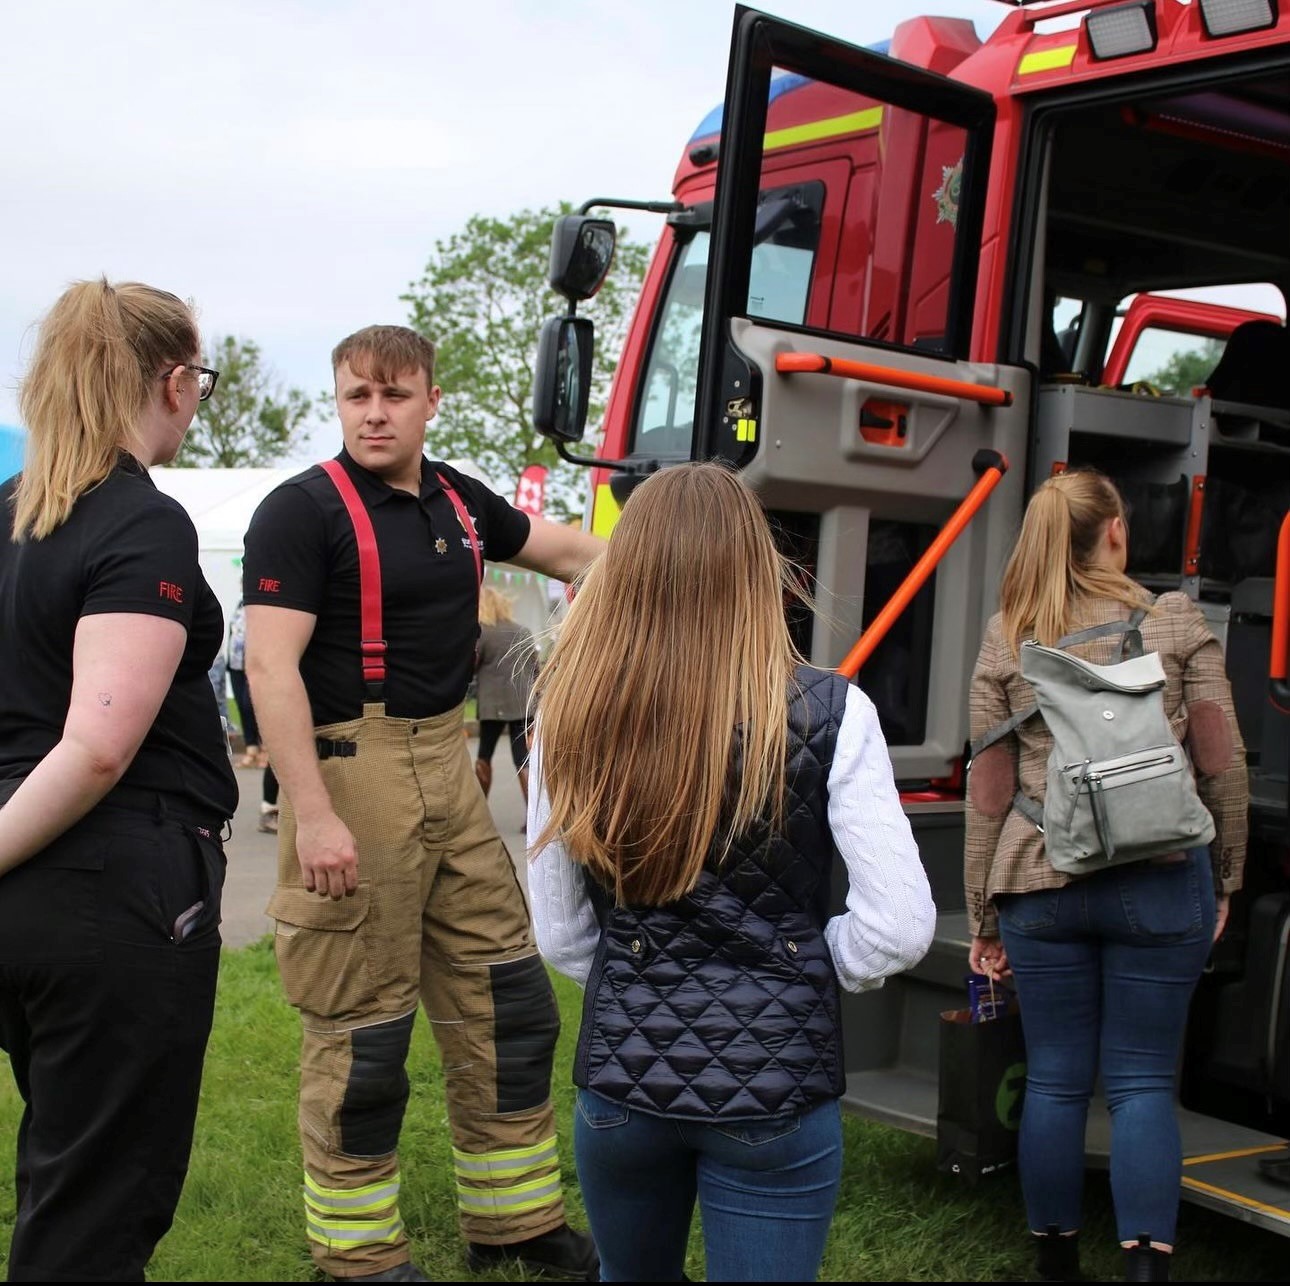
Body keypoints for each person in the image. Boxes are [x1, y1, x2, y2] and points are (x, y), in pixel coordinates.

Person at [241, 324, 604, 1284]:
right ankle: (356, 1259)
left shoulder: (457, 498)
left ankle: (515, 1224)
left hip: (449, 762)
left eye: (393, 396)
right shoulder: (300, 512)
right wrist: (312, 814)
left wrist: (681, 564)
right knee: (363, 1030)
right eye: (356, 395)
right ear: (339, 399)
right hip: (352, 769)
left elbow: (573, 552)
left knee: (509, 1001)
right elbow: (270, 669)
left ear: (429, 402)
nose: (373, 412)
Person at [527, 462, 937, 1283]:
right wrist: (800, 975)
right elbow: (898, 925)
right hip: (776, 1087)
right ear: (760, 568)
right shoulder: (832, 709)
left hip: (622, 1080)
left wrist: (648, 981)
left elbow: (563, 932)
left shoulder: (566, 705)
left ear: (626, 567)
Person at [0, 278, 236, 1281]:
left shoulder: (13, 511)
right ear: (175, 381)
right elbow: (97, 744)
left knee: (62, 1167)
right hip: (108, 890)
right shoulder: (138, 520)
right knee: (93, 1212)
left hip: (35, 897)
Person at [963, 469, 1248, 1284]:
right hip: (1159, 873)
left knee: (1053, 1079)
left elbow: (987, 789)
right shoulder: (1173, 618)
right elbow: (1220, 763)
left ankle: (1055, 1269)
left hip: (1038, 878)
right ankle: (1145, 1274)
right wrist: (1224, 874)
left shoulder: (1005, 635)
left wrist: (984, 909)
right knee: (1141, 1082)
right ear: (1115, 531)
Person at [474, 584, 539, 812]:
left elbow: (472, 665)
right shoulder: (522, 630)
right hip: (523, 703)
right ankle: (532, 815)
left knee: (484, 755)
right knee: (523, 759)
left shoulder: (482, 632)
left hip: (493, 705)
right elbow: (535, 668)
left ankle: (480, 813)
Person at [227, 598, 267, 768]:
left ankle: (266, 749)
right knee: (242, 706)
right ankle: (251, 750)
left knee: (251, 704)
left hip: (254, 662)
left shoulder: (261, 604)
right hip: (236, 664)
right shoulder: (239, 605)